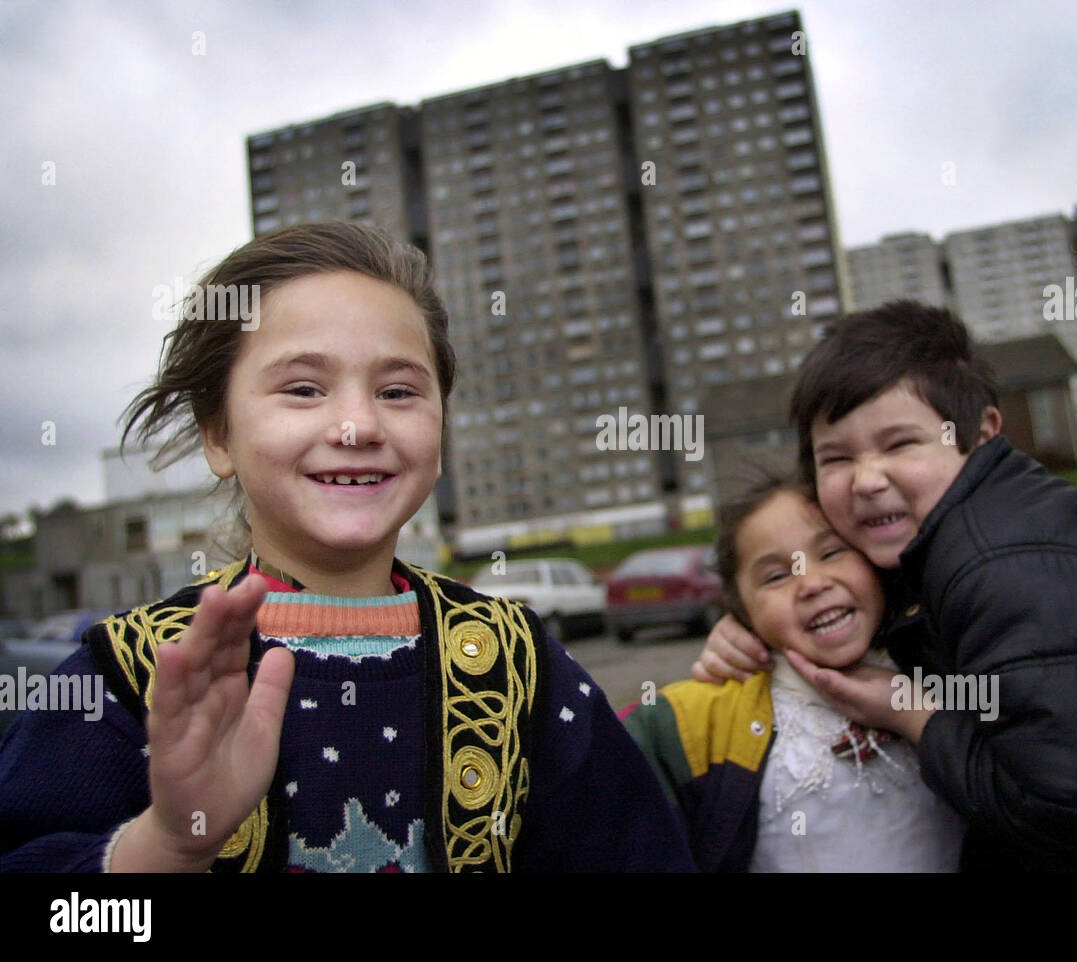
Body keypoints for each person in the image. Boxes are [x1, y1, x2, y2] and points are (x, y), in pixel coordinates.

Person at [0, 222, 693, 873]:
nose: (358, 425)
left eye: (397, 391)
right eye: (303, 389)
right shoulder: (127, 675)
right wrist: (164, 845)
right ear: (218, 435)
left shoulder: (521, 665)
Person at [694, 300, 1077, 871]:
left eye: (900, 443)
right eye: (836, 458)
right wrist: (750, 623)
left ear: (982, 432)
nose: (867, 479)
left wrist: (914, 713)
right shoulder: (945, 539)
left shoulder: (998, 557)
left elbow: (1068, 814)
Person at [624, 476, 965, 871]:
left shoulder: (951, 663)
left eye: (833, 552)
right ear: (741, 611)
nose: (812, 583)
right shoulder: (692, 723)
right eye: (775, 577)